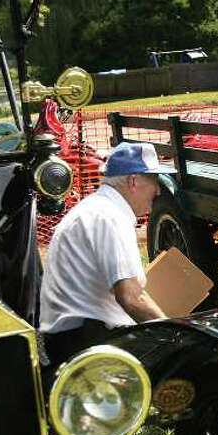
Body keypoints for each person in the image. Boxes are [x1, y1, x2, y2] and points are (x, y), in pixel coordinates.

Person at [40, 141, 175, 365]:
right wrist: (174, 333)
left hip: (69, 335)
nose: (158, 190)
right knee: (185, 358)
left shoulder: (97, 208)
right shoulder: (110, 217)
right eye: (154, 181)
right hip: (84, 341)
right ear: (134, 181)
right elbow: (130, 297)